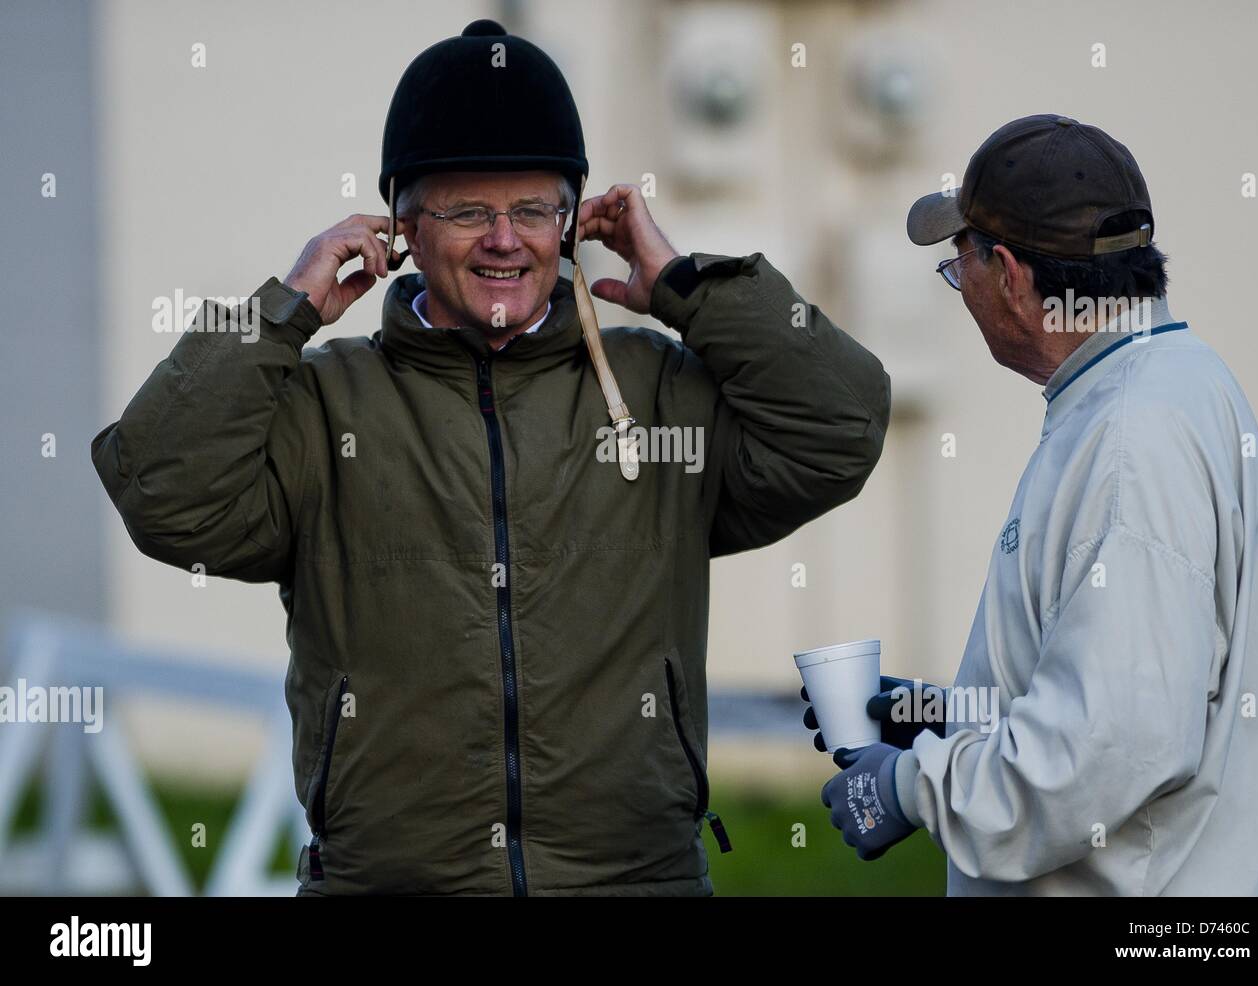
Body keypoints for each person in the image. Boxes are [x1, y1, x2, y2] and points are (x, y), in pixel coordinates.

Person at [90, 20, 891, 896]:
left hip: (637, 882)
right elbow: (160, 492)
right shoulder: (324, 406)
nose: (505, 240)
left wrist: (689, 287)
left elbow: (840, 427)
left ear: (571, 220)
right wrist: (284, 310)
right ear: (400, 227)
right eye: (468, 211)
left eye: (535, 209)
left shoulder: (659, 391)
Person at [808, 114, 1258, 895]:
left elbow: (1110, 746)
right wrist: (948, 714)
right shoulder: (1172, 383)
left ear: (1008, 272)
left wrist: (909, 787)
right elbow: (1125, 686)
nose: (958, 284)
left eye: (957, 262)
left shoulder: (1129, 441)